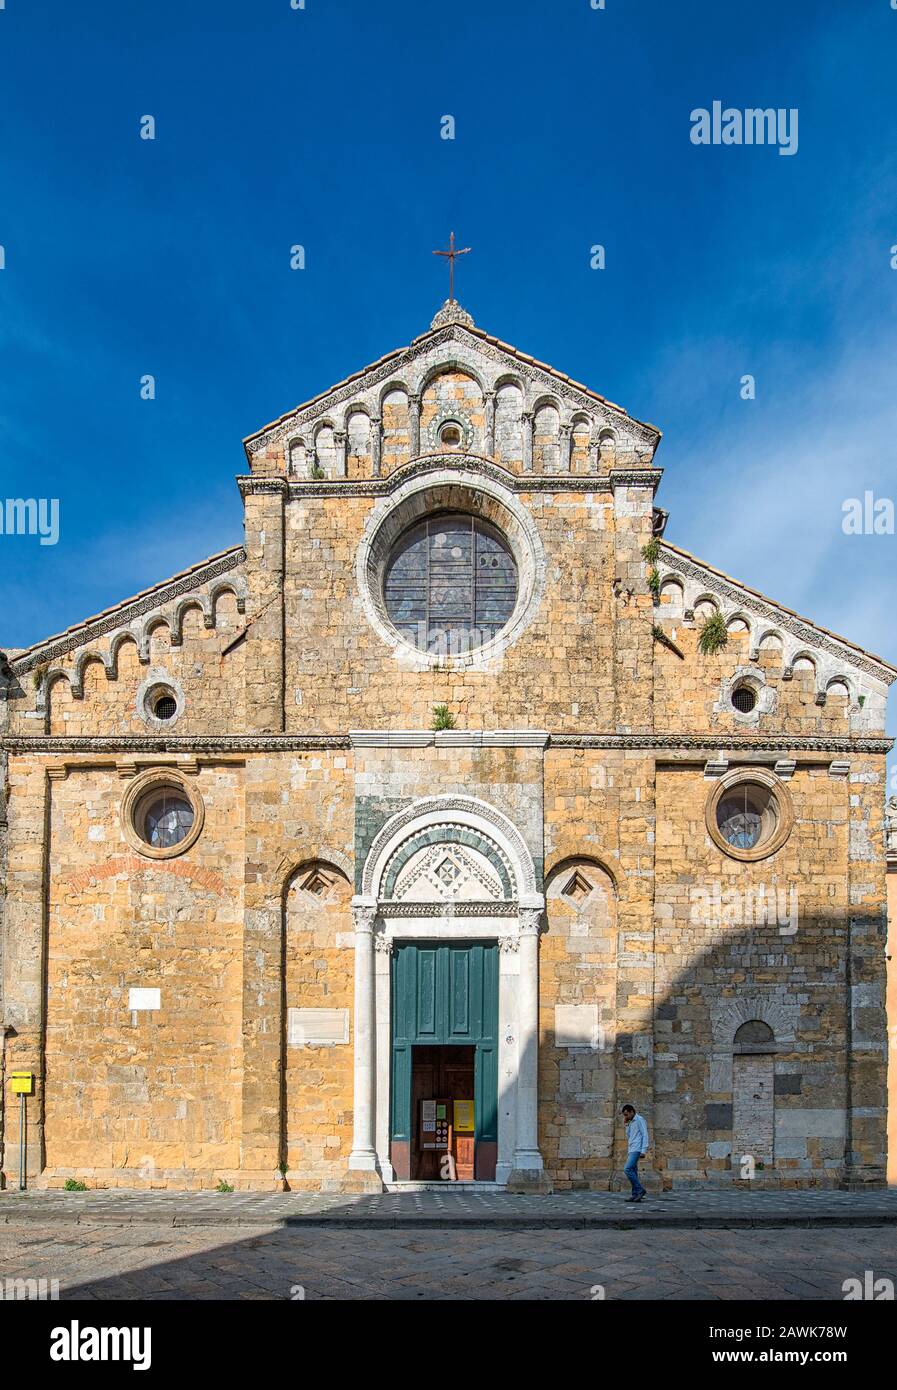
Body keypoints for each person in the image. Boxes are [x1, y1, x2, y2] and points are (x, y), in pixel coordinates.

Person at [621, 1103, 649, 1202]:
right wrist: (626, 1124)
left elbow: (645, 1134)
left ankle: (640, 1190)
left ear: (632, 1112)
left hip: (637, 1149)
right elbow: (628, 1135)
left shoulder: (640, 1119)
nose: (626, 1116)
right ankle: (635, 1195)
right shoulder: (631, 1122)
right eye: (624, 1115)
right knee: (633, 1172)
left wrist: (643, 1150)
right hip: (631, 1148)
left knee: (627, 1169)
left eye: (626, 1114)